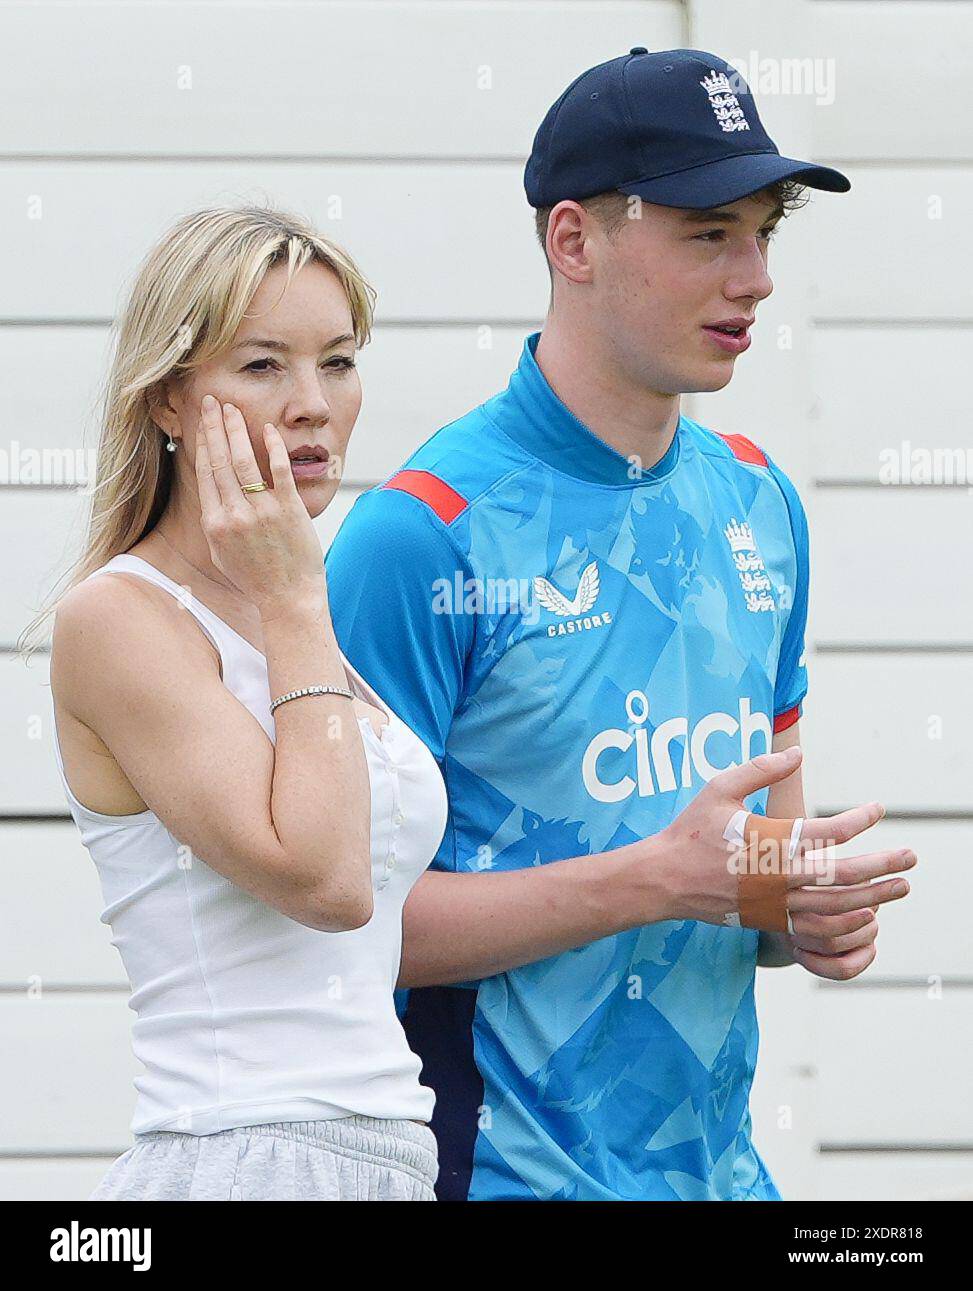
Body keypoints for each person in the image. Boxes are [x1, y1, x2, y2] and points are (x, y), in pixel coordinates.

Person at [323, 49, 918, 1200]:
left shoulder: (760, 499)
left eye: (763, 234)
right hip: (494, 1179)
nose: (755, 279)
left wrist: (802, 914)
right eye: (709, 234)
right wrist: (653, 879)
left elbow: (743, 874)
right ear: (573, 242)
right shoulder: (419, 534)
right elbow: (337, 934)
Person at [38, 205, 447, 1200]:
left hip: (386, 1151)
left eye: (338, 361)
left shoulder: (286, 615)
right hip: (243, 1157)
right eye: (263, 365)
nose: (312, 403)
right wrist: (295, 594)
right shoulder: (122, 618)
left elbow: (384, 911)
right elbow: (326, 882)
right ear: (169, 401)